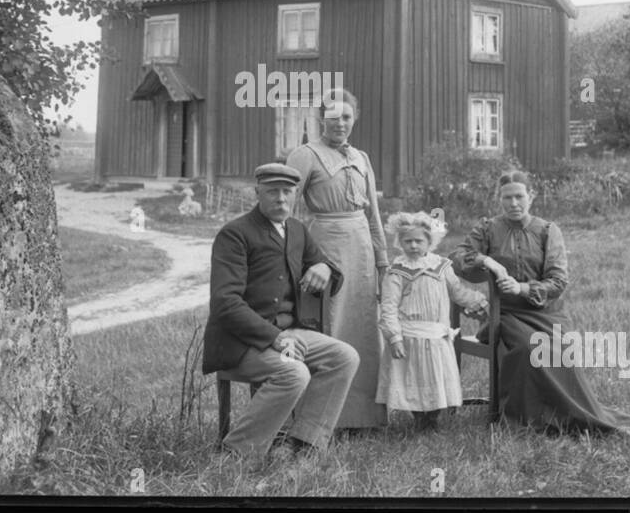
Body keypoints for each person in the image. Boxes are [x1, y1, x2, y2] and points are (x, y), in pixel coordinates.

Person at [450, 170, 630, 434]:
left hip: (545, 313)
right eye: (507, 198)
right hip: (505, 314)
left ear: (531, 196)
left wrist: (521, 287)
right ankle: (527, 419)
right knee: (525, 348)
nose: (513, 203)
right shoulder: (488, 228)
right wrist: (488, 261)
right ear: (499, 199)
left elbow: (558, 281)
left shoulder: (547, 231)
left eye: (519, 196)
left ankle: (562, 414)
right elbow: (459, 256)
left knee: (561, 347)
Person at [203, 163, 361, 459]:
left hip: (290, 333)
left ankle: (302, 445)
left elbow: (332, 273)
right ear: (257, 193)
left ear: (295, 195)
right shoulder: (235, 234)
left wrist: (323, 266)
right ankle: (234, 453)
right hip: (239, 342)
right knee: (293, 372)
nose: (280, 199)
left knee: (344, 357)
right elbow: (225, 303)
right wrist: (276, 338)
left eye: (287, 192)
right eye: (272, 191)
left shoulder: (297, 230)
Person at [284, 89, 388, 430]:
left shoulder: (362, 158)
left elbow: (373, 214)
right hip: (324, 249)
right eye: (333, 116)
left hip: (361, 253)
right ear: (321, 119)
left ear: (354, 119)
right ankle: (323, 419)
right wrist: (298, 259)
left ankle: (364, 418)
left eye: (346, 116)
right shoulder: (305, 155)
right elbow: (288, 212)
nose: (340, 123)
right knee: (330, 325)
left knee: (364, 328)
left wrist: (382, 263)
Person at [377, 212, 488, 431]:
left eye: (419, 241)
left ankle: (433, 419)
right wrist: (394, 337)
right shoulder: (397, 272)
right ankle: (419, 419)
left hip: (437, 337)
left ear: (430, 241)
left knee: (437, 380)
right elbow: (388, 307)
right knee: (415, 381)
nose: (414, 246)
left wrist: (479, 302)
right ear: (399, 243)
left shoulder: (441, 267)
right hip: (411, 337)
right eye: (408, 241)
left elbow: (457, 292)